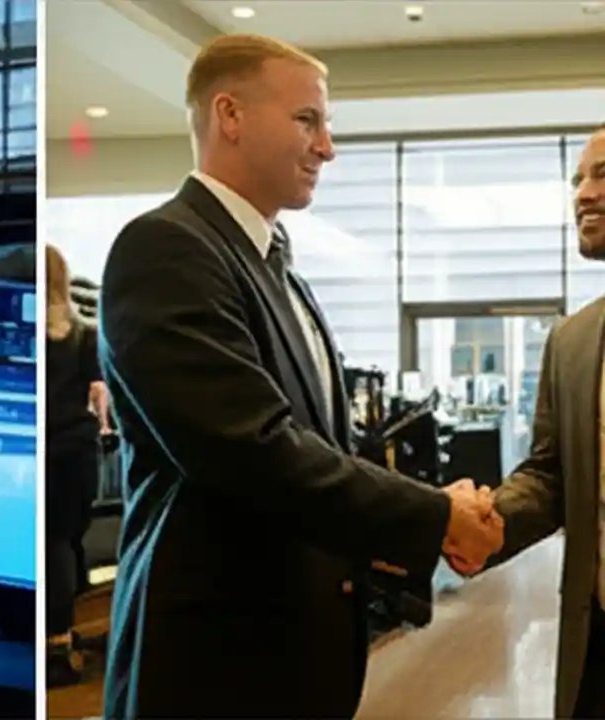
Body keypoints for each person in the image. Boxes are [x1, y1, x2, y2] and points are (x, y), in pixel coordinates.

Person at [96, 33, 504, 719]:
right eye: (307, 120)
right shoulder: (165, 248)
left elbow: (324, 451)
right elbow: (251, 450)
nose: (327, 147)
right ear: (230, 115)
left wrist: (431, 503)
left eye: (327, 125)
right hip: (216, 667)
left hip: (287, 655)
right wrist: (436, 516)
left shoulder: (277, 268)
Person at [473, 126, 605, 719]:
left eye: (603, 174)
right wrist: (458, 525)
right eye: (578, 178)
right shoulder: (572, 341)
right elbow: (550, 475)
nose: (583, 193)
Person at [44, 243, 111, 687]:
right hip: (77, 450)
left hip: (43, 449)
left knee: (48, 544)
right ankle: (60, 635)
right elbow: (99, 393)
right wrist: (104, 426)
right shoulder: (85, 332)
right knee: (65, 541)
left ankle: (50, 635)